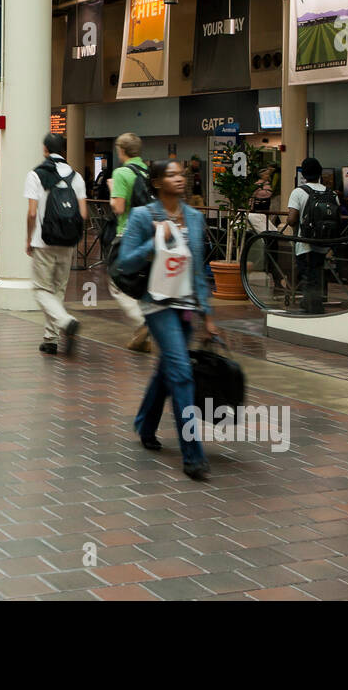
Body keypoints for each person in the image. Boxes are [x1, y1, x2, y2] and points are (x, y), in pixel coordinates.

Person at [115, 158, 220, 481]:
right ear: (158, 182)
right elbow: (125, 263)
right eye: (171, 175)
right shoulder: (144, 216)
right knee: (182, 373)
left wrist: (208, 314)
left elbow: (199, 268)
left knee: (168, 371)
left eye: (181, 174)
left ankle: (145, 424)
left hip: (186, 304)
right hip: (157, 304)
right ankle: (193, 455)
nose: (180, 179)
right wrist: (153, 240)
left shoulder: (194, 218)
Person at [25, 132, 87, 356]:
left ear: (44, 149)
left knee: (42, 289)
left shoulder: (36, 175)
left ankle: (65, 321)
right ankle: (50, 339)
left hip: (43, 240)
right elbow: (83, 213)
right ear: (64, 150)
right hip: (67, 242)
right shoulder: (76, 177)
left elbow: (32, 213)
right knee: (58, 289)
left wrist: (28, 239)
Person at [108, 133, 153, 353]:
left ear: (121, 150)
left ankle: (144, 324)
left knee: (117, 284)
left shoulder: (122, 172)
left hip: (127, 234)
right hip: (150, 235)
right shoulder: (148, 171)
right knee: (143, 283)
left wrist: (111, 190)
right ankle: (143, 335)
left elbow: (118, 207)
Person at [287, 157, 332, 314]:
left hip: (304, 242)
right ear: (319, 173)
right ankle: (317, 304)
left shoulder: (298, 192)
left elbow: (292, 219)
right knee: (318, 273)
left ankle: (310, 307)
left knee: (307, 276)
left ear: (304, 175)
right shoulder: (330, 193)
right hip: (324, 243)